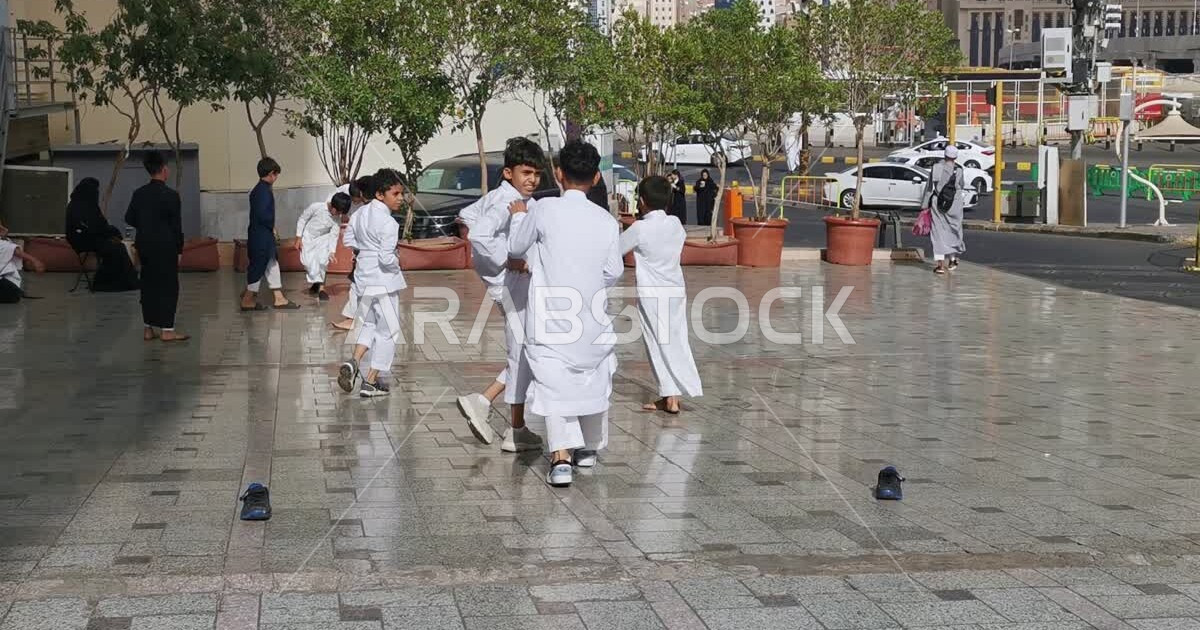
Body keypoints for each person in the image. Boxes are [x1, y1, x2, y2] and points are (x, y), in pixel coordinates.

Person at [508, 140, 622, 488]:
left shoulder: (542, 209)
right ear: (597, 177)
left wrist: (517, 217)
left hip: (552, 315)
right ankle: (587, 449)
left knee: (554, 382)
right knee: (592, 377)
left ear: (558, 173)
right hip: (589, 313)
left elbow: (515, 247)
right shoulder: (606, 220)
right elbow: (613, 271)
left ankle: (561, 459)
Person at [456, 137, 547, 453]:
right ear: (509, 172)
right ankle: (485, 403)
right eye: (526, 172)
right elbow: (479, 235)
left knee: (526, 350)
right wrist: (506, 259)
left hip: (511, 283)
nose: (532, 180)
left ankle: (513, 424)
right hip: (512, 285)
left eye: (536, 173)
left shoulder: (503, 196)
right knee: (526, 351)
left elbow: (467, 216)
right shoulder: (506, 201)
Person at [621, 175, 703, 415]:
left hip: (652, 293)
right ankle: (672, 395)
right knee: (676, 339)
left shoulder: (639, 228)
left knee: (657, 343)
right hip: (676, 290)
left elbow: (614, 250)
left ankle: (671, 397)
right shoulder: (675, 223)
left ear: (642, 201)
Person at [337, 169, 407, 397]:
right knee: (388, 331)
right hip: (384, 281)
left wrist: (365, 250)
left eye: (401, 194)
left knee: (368, 324)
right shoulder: (388, 223)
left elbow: (348, 239)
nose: (400, 198)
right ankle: (371, 381)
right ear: (379, 194)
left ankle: (354, 361)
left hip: (363, 277)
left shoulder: (359, 214)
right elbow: (387, 258)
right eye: (395, 194)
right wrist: (397, 262)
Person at [124, 151, 188, 342]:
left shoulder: (139, 194)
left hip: (145, 244)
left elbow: (129, 218)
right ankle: (167, 330)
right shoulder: (171, 196)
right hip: (166, 246)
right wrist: (179, 249)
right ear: (163, 169)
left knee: (148, 285)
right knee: (168, 287)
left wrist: (146, 226)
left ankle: (148, 328)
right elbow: (177, 226)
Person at [240, 157, 299, 311]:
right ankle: (248, 299)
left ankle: (279, 297)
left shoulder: (258, 190)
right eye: (276, 174)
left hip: (260, 234)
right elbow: (263, 215)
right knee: (259, 265)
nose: (276, 178)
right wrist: (271, 226)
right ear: (272, 173)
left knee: (271, 263)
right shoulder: (263, 191)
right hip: (262, 236)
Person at [65, 178, 138, 292]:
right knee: (114, 249)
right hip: (83, 240)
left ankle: (128, 281)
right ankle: (103, 284)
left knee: (119, 247)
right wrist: (109, 233)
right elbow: (87, 226)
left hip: (95, 237)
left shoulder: (90, 205)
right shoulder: (76, 206)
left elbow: (100, 224)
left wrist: (111, 232)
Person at [332, 175, 379, 331]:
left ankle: (354, 319)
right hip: (367, 255)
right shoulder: (375, 209)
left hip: (367, 256)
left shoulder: (367, 211)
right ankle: (359, 317)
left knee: (358, 286)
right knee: (360, 286)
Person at [297, 192, 352, 301]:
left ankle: (322, 289)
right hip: (308, 238)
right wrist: (298, 237)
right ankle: (316, 283)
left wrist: (331, 251)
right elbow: (302, 219)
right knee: (308, 263)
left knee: (322, 260)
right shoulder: (316, 207)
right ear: (333, 206)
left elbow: (334, 235)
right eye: (338, 211)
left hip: (323, 240)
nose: (338, 215)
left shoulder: (337, 219)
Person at [925, 146, 966, 274]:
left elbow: (929, 187)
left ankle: (940, 265)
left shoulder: (936, 167)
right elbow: (961, 185)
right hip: (955, 203)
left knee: (938, 232)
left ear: (944, 155)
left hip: (939, 203)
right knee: (954, 230)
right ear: (956, 157)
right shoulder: (959, 170)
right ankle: (953, 259)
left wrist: (924, 205)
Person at [0, 222, 46, 304]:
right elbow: (14, 250)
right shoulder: (3, 244)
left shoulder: (3, 242)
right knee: (14, 295)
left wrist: (3, 235)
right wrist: (35, 261)